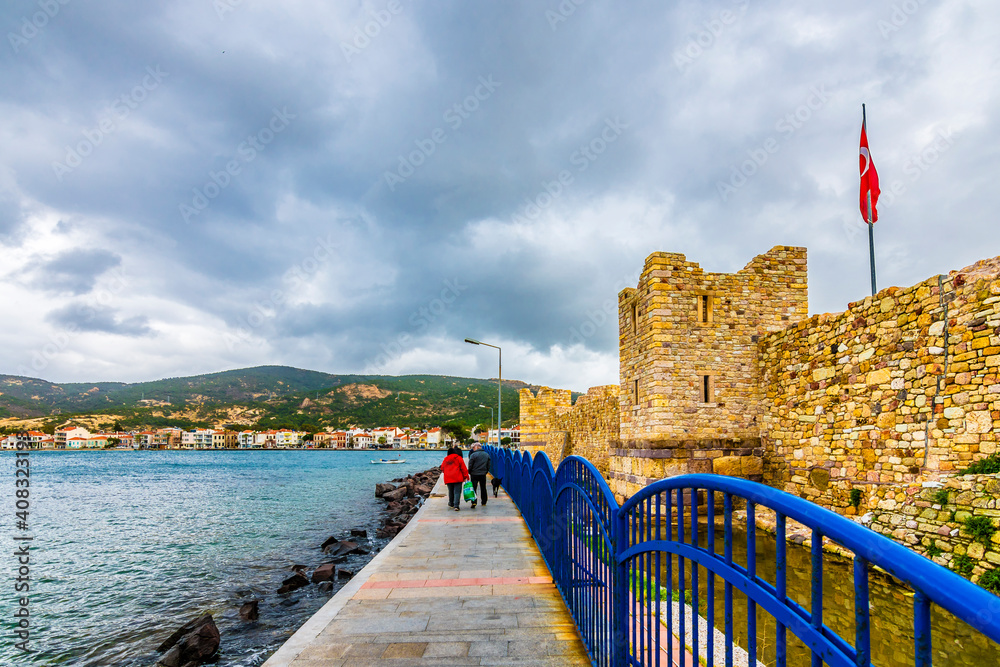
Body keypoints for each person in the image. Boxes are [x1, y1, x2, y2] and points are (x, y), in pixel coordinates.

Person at [441, 446, 469, 511]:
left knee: (450, 491)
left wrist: (447, 472)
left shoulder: (446, 459)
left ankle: (451, 503)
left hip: (448, 477)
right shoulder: (459, 458)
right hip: (457, 477)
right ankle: (456, 506)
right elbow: (463, 468)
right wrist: (466, 476)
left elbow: (442, 468)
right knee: (457, 492)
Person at [467, 443, 491, 508]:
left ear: (477, 447)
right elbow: (488, 465)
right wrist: (486, 471)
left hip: (474, 474)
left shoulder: (473, 455)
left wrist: (469, 471)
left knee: (474, 488)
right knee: (483, 488)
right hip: (483, 474)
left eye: (473, 448)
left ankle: (474, 502)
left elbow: (470, 464)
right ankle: (484, 501)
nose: (473, 449)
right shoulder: (486, 455)